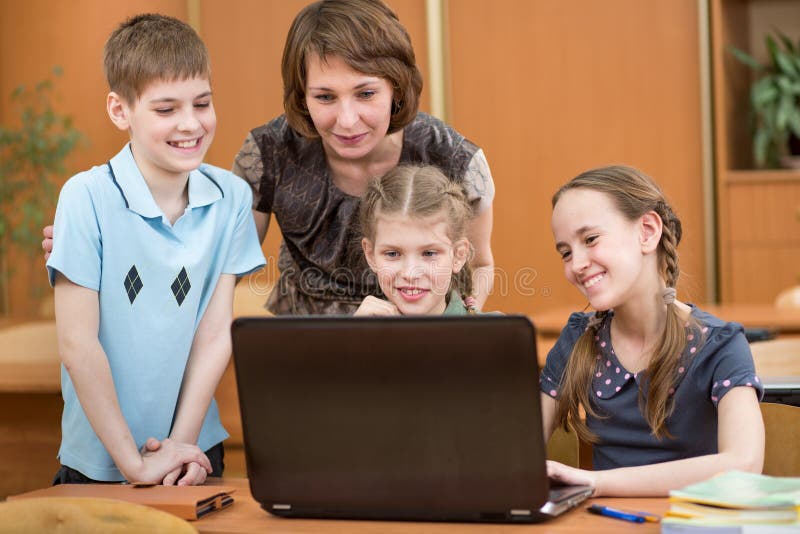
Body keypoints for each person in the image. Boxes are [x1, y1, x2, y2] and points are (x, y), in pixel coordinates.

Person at [45, 14, 266, 485]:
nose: (191, 124)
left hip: (193, 455)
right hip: (101, 460)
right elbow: (77, 345)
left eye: (202, 103)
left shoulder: (231, 198)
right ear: (120, 110)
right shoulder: (85, 198)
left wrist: (177, 449)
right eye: (166, 110)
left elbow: (215, 334)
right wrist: (135, 463)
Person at [232, 0, 495, 315]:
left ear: (395, 87)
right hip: (305, 346)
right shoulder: (268, 153)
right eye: (325, 97)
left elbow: (479, 264)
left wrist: (464, 322)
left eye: (366, 94)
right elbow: (228, 271)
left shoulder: (455, 158)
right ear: (302, 95)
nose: (346, 120)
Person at [542, 165, 764, 497]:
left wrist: (597, 482)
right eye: (566, 252)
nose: (576, 264)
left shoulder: (720, 346)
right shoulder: (578, 338)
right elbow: (517, 451)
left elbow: (743, 465)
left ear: (647, 231)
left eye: (590, 239)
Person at [354, 165, 477, 316]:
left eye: (429, 253)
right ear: (371, 255)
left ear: (458, 255)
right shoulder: (351, 338)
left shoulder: (497, 336)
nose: (410, 274)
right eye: (392, 254)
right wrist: (354, 337)